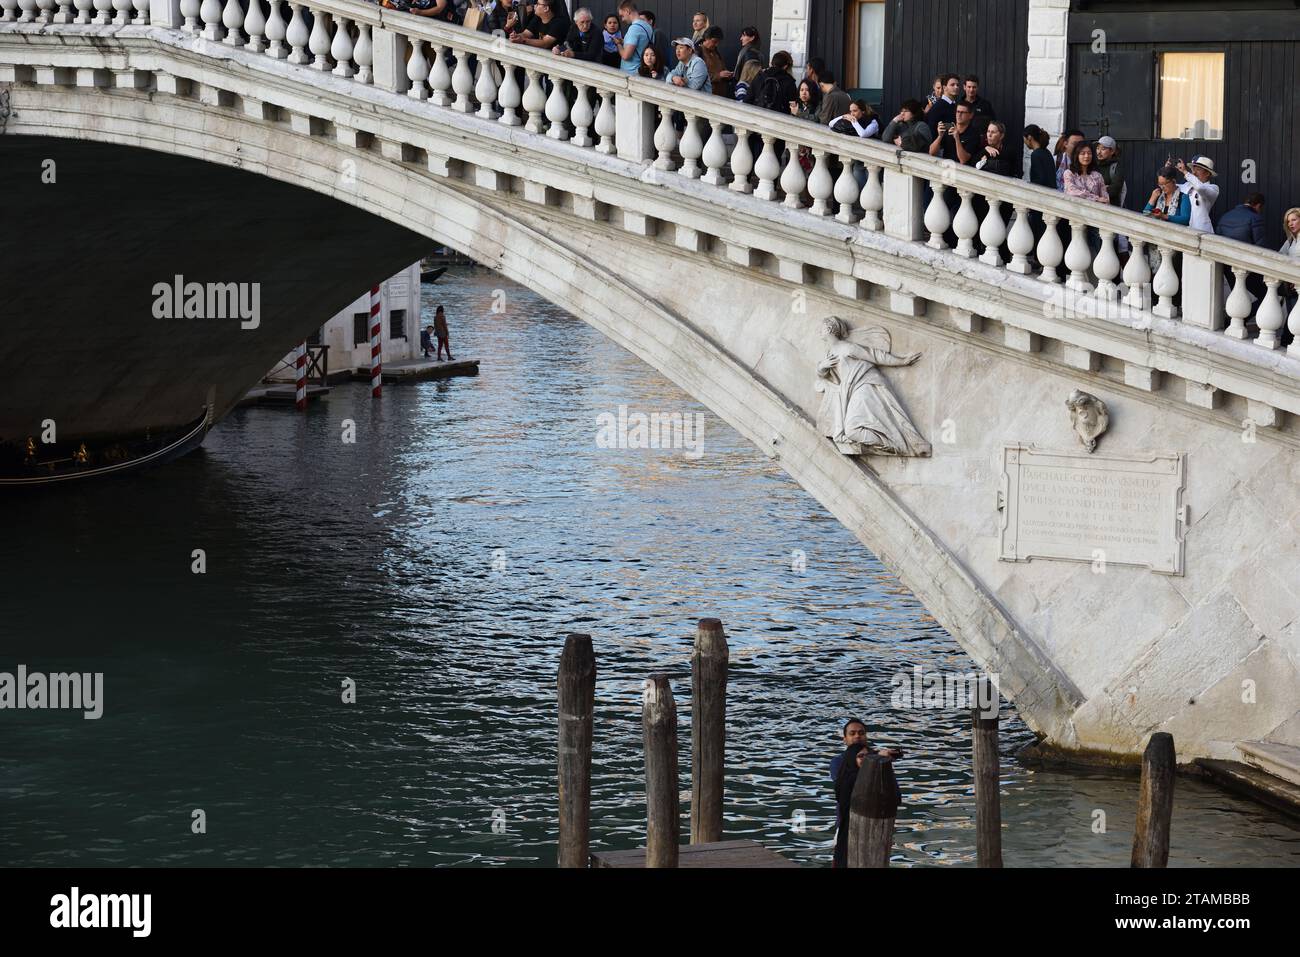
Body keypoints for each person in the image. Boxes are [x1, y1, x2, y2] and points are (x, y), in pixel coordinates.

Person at [1174, 155, 1219, 234]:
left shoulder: (1213, 188)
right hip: (1189, 230)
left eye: (1198, 170)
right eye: (1193, 170)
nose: (1194, 172)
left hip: (1203, 232)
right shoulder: (1189, 184)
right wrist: (1167, 169)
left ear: (1208, 173)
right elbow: (1172, 187)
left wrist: (1185, 172)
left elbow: (1200, 188)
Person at [929, 100, 979, 165]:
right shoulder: (949, 127)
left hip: (964, 171)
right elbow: (932, 152)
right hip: (946, 167)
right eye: (957, 112)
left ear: (971, 115)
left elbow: (963, 160)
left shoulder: (973, 134)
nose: (959, 115)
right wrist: (940, 136)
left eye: (962, 112)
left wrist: (957, 138)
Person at [751, 50, 797, 114]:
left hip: (758, 116)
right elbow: (792, 106)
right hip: (779, 119)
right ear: (786, 66)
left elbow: (749, 98)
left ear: (771, 63)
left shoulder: (760, 76)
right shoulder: (789, 82)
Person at [615, 1, 654, 75]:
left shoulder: (634, 29)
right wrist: (624, 41)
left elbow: (626, 56)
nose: (622, 19)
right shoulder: (648, 27)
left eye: (622, 16)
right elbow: (641, 45)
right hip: (643, 70)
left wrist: (618, 44)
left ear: (627, 11)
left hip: (631, 73)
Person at [1095, 135, 1126, 208]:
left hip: (1111, 208)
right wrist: (1104, 188)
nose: (1099, 152)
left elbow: (1114, 190)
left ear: (1112, 151)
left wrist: (1096, 189)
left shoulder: (1116, 167)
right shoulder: (1093, 165)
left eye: (1103, 149)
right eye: (1097, 148)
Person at [699, 25, 729, 97]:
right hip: (706, 96)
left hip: (719, 95)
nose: (716, 45)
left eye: (718, 42)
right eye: (714, 41)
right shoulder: (698, 52)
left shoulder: (716, 52)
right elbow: (698, 76)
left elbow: (721, 68)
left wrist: (727, 74)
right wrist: (718, 75)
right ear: (706, 38)